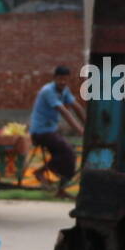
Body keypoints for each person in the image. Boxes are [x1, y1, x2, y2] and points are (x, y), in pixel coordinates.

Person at [29, 65, 85, 197]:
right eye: (60, 79)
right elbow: (65, 112)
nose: (62, 82)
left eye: (65, 79)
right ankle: (40, 172)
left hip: (51, 131)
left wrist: (88, 125)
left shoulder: (64, 90)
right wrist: (81, 131)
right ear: (54, 78)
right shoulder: (48, 91)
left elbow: (76, 107)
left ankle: (60, 189)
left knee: (68, 155)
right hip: (40, 132)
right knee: (68, 153)